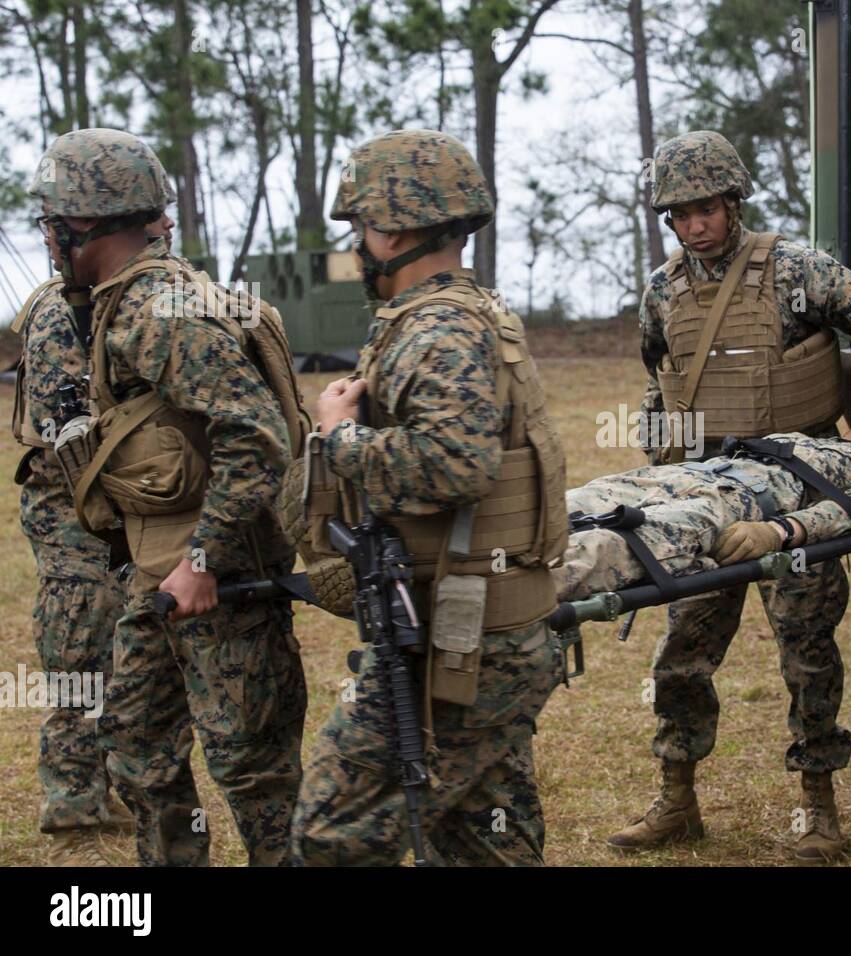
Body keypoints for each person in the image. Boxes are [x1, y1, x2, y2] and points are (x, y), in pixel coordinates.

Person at [623, 129, 851, 862]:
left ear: (732, 199)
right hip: (706, 496)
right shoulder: (662, 291)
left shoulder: (793, 268)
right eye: (680, 213)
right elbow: (659, 378)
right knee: (681, 653)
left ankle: (819, 807)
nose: (695, 224)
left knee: (808, 653)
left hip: (793, 490)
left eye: (706, 208)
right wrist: (662, 451)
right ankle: (677, 797)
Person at [28, 127, 307, 866]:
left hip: (221, 575)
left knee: (252, 765)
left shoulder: (163, 311)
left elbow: (257, 437)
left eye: (53, 224)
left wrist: (205, 558)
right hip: (159, 574)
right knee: (136, 742)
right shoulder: (115, 304)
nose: (48, 240)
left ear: (83, 227)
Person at [292, 129, 569, 867]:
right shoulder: (471, 309)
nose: (359, 246)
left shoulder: (437, 328)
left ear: (396, 229)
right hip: (484, 626)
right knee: (483, 836)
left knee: (330, 834)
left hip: (463, 645)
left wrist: (338, 435)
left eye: (362, 229)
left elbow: (457, 467)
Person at [10, 191, 174, 865]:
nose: (165, 233)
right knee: (79, 644)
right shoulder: (60, 312)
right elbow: (68, 426)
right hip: (70, 505)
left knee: (119, 647)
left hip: (113, 506)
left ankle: (101, 781)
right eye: (158, 223)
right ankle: (73, 800)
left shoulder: (129, 300)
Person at [556, 396, 851, 602]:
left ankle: (506, 595)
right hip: (684, 475)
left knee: (609, 548)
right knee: (557, 510)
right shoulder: (820, 442)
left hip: (729, 506)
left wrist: (779, 531)